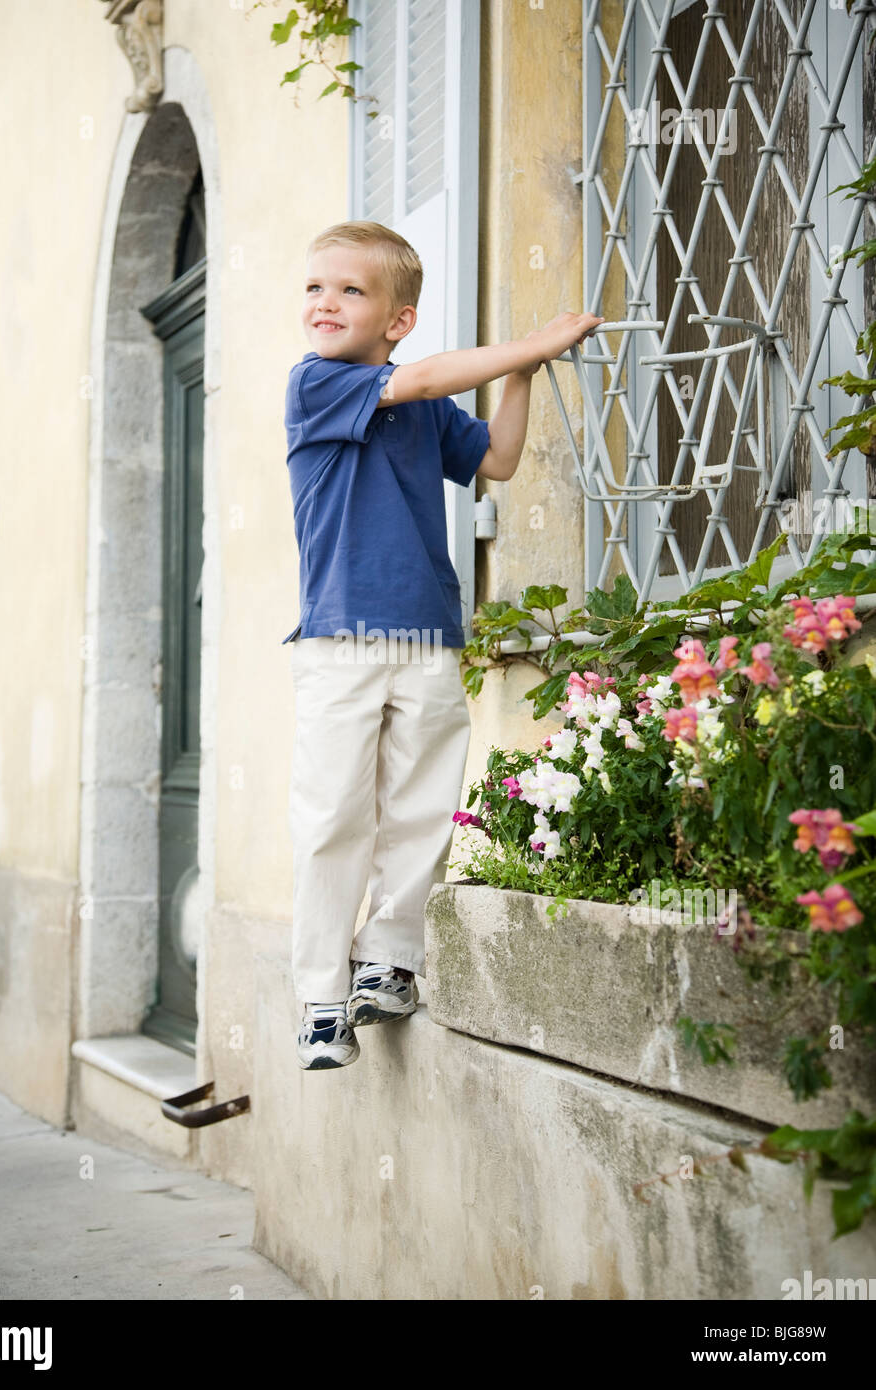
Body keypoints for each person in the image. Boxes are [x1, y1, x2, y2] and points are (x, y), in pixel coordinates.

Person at [283, 219, 602, 1069]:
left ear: (397, 317)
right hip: (339, 639)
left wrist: (523, 374)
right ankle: (319, 997)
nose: (325, 303)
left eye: (350, 290)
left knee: (421, 805)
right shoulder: (316, 385)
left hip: (427, 634)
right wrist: (520, 344)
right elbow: (420, 379)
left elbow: (496, 461)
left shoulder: (423, 404)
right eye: (315, 287)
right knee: (332, 816)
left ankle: (387, 960)